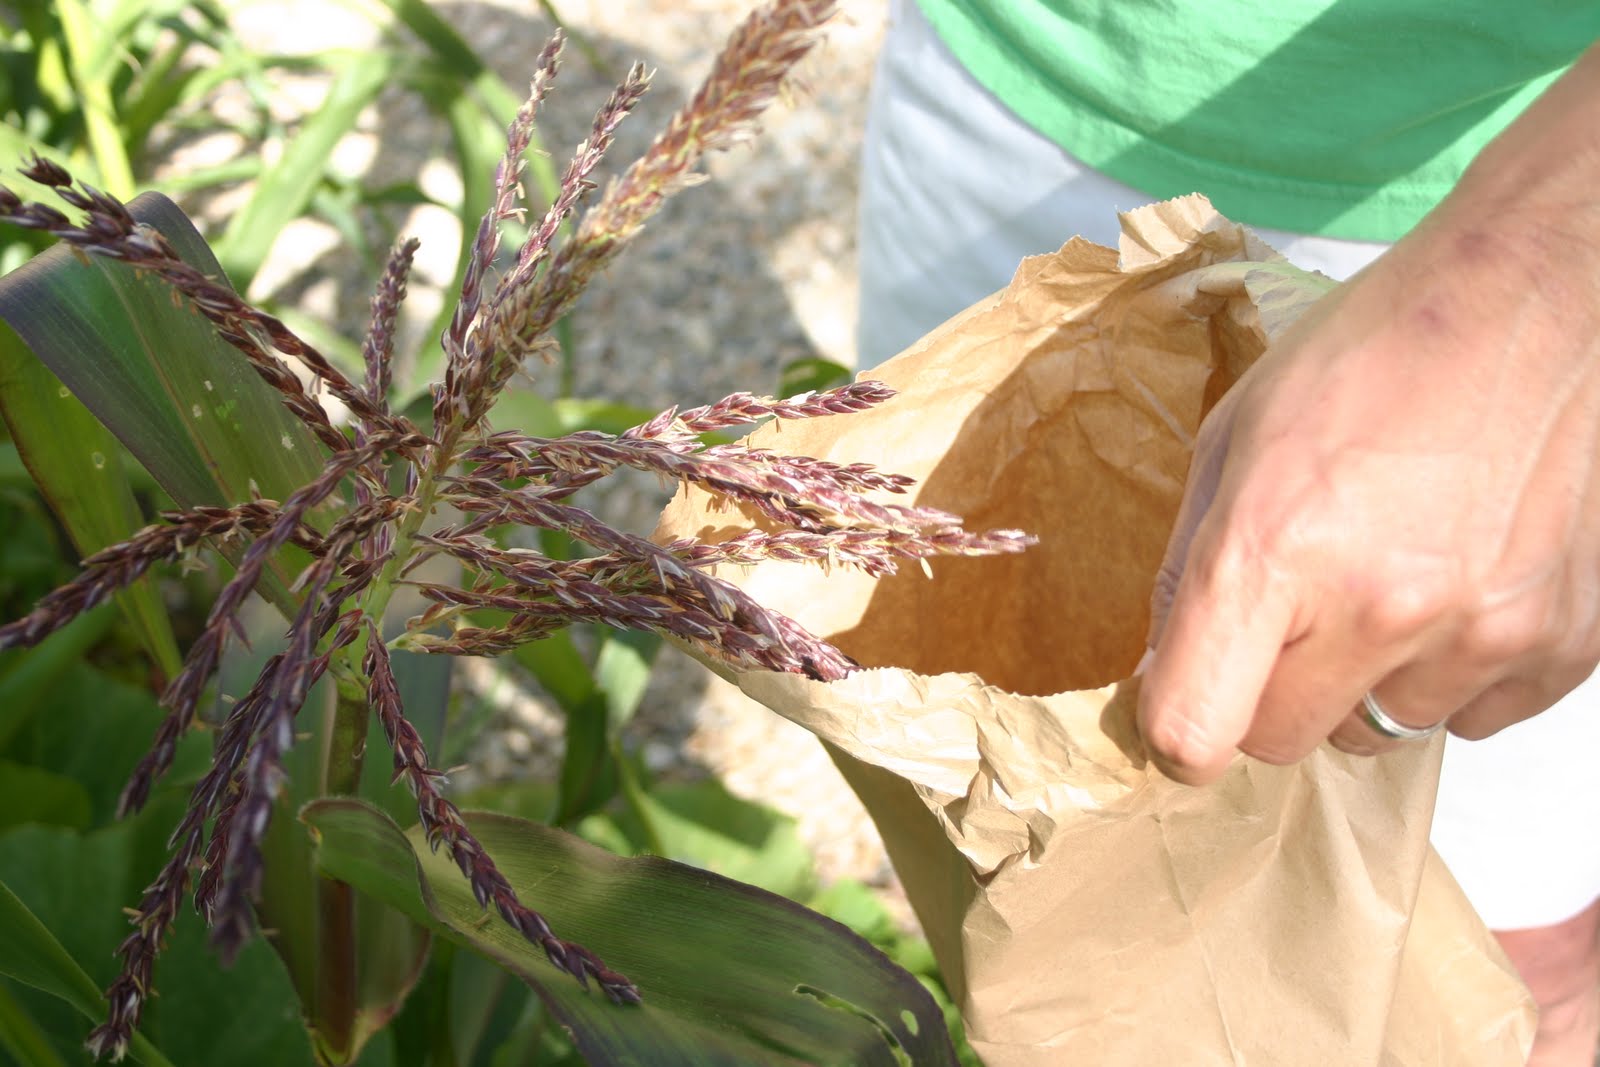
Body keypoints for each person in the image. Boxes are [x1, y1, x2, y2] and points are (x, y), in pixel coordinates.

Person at [854, 3, 1600, 1063]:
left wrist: (1555, 264)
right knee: (1063, 927)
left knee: (1504, 951)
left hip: (1512, 149)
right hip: (1021, 79)